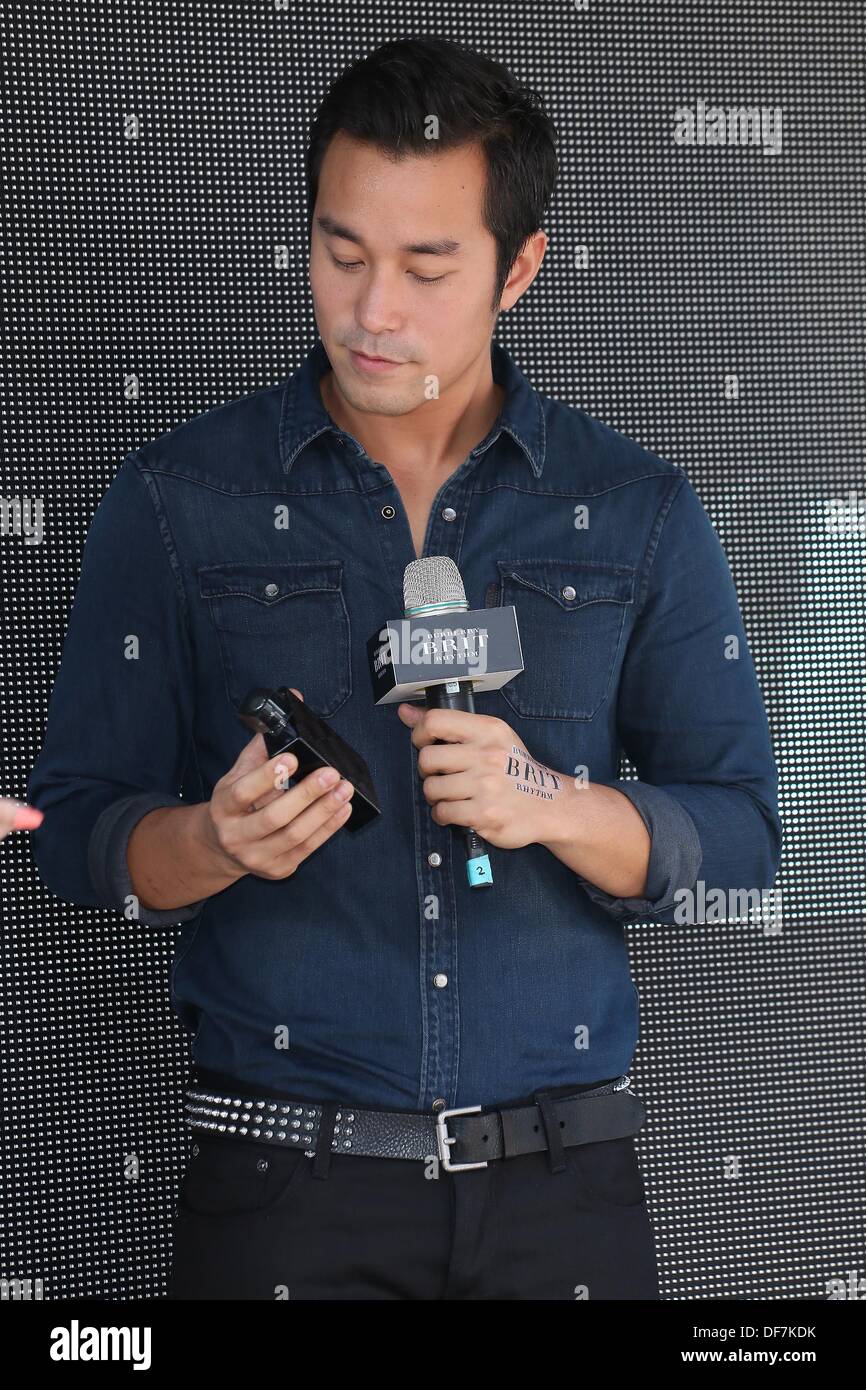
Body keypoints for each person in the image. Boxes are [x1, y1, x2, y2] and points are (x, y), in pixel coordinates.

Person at [27, 35, 781, 1301]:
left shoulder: (635, 508)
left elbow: (744, 838)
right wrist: (214, 840)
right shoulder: (178, 499)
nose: (372, 310)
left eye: (426, 267)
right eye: (340, 253)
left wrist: (552, 801)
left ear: (518, 268)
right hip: (284, 1201)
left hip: (564, 1198)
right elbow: (73, 834)